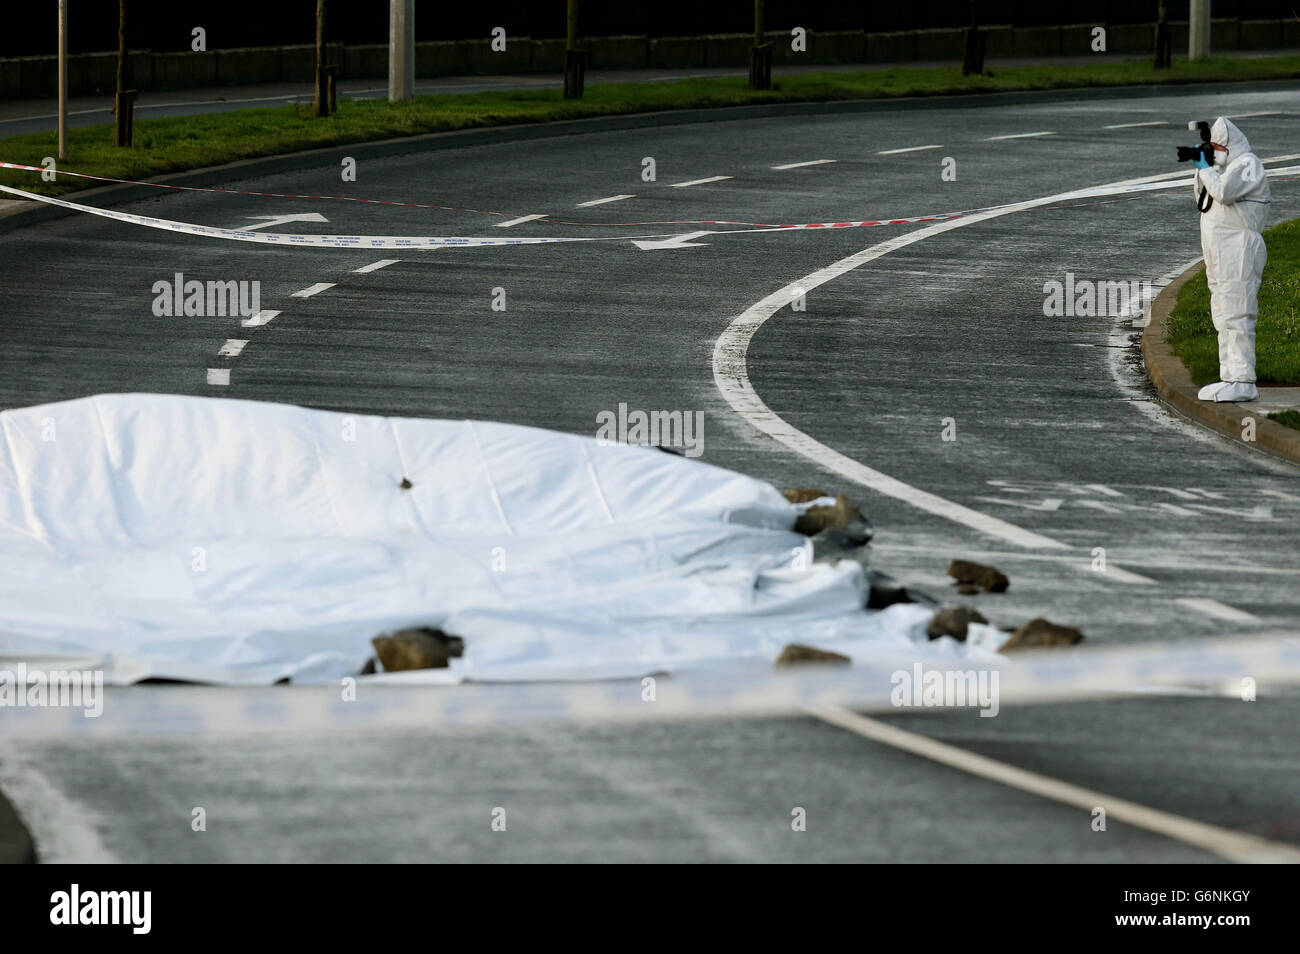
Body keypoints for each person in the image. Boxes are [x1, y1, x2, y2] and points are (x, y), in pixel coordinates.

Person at [1191, 117, 1271, 402]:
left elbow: (1223, 193)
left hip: (1239, 249)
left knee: (1238, 312)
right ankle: (1229, 375)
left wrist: (1204, 167)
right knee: (1222, 313)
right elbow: (1203, 197)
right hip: (1220, 252)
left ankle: (1243, 379)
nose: (1212, 151)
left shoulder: (1248, 163)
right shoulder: (1223, 169)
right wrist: (1205, 168)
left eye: (1215, 146)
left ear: (1228, 144)